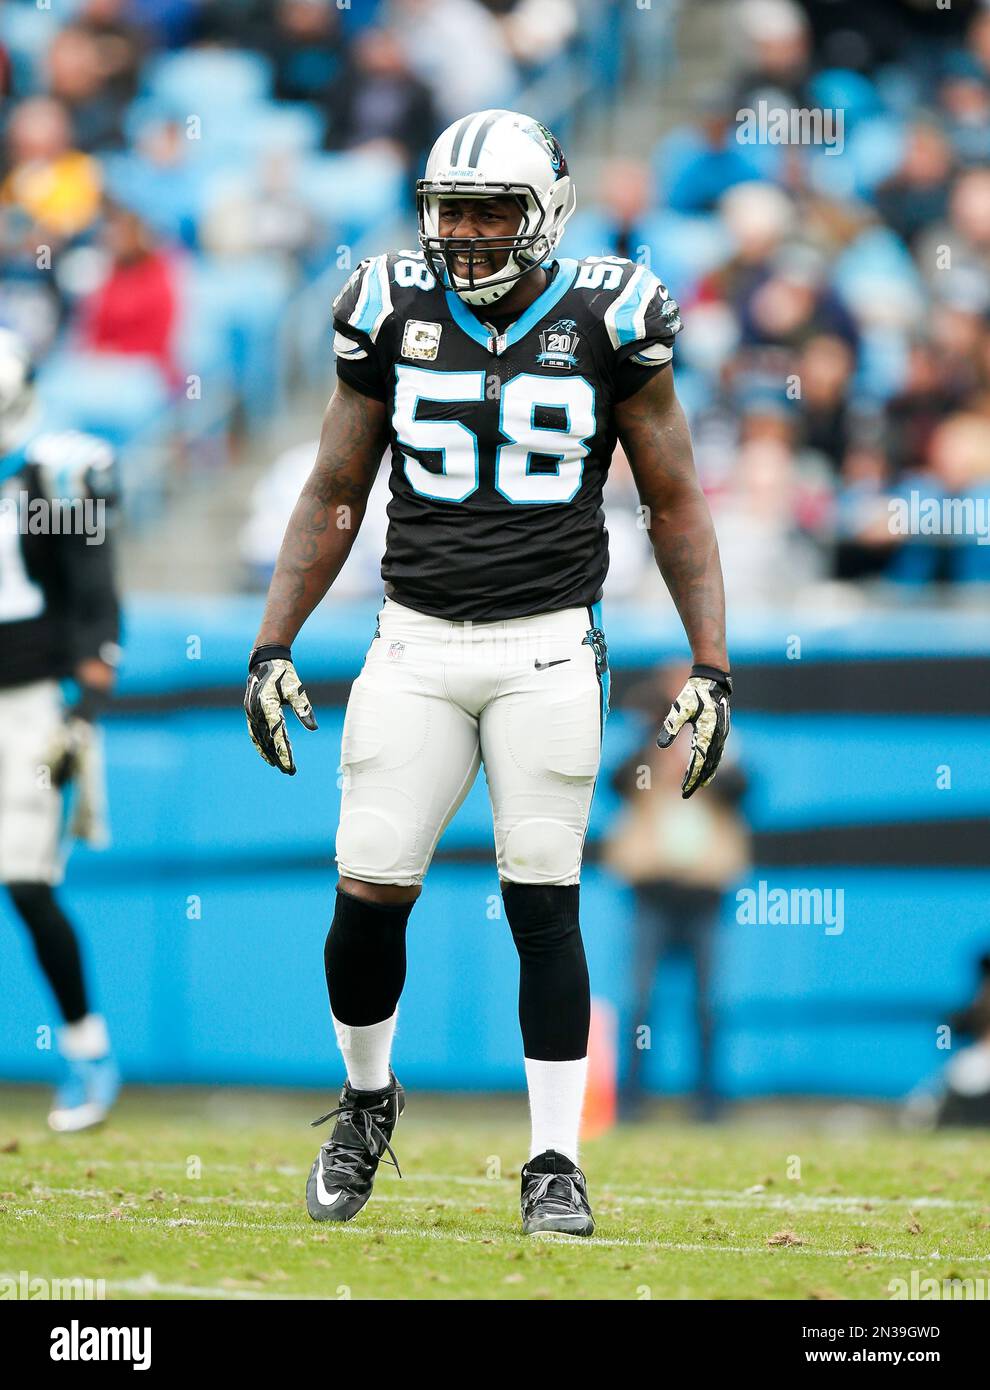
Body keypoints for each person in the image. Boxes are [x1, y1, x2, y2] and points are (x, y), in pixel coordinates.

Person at [243, 110, 731, 1236]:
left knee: (541, 901)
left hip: (550, 643)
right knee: (367, 888)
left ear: (547, 213)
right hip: (414, 636)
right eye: (447, 210)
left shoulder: (614, 314)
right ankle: (369, 1103)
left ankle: (554, 1159)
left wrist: (712, 663)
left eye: (488, 211)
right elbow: (333, 489)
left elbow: (675, 500)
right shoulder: (385, 305)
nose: (462, 234)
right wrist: (272, 641)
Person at [0, 328, 121, 1131]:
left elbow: (93, 591)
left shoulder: (55, 471)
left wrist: (82, 702)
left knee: (25, 876)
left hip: (32, 697)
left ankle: (86, 1049)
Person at [604, 667, 749, 1121]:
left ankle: (708, 1102)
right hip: (653, 890)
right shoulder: (646, 749)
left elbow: (741, 789)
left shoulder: (723, 743)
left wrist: (701, 755)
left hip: (704, 892)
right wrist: (653, 737)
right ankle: (631, 1101)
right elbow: (616, 784)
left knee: (707, 1003)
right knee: (641, 1000)